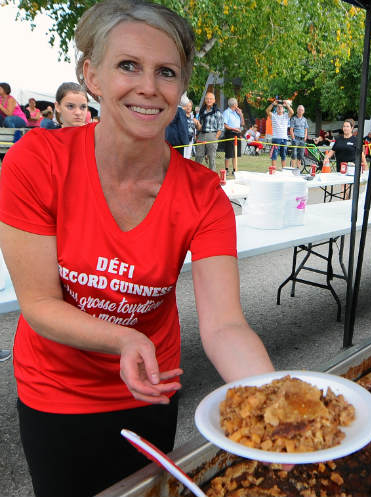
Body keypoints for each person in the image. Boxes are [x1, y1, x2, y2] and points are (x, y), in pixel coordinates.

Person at [0, 2, 275, 496]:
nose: (148, 86)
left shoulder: (204, 195)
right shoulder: (37, 161)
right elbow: (39, 304)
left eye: (166, 72)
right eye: (128, 65)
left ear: (181, 86)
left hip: (152, 388)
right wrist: (124, 339)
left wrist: (274, 405)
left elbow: (225, 325)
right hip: (56, 391)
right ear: (92, 76)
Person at [194, 91, 222, 171]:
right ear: (205, 100)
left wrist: (215, 138)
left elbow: (220, 128)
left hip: (212, 135)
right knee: (198, 156)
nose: (209, 100)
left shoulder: (217, 112)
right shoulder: (201, 111)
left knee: (211, 158)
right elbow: (199, 128)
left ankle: (212, 175)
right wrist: (197, 123)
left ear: (214, 100)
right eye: (207, 99)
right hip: (201, 135)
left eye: (211, 99)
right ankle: (195, 174)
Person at [266, 98, 293, 169]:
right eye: (278, 107)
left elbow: (292, 112)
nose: (280, 108)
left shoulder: (286, 116)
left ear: (284, 109)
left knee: (283, 155)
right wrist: (273, 104)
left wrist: (287, 105)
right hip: (276, 139)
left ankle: (283, 170)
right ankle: (273, 170)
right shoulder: (273, 116)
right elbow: (267, 110)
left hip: (284, 139)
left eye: (281, 107)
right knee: (274, 155)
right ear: (276, 109)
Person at [222, 97, 244, 175]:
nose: (238, 105)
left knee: (235, 153)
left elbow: (242, 124)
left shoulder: (237, 112)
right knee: (228, 153)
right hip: (230, 133)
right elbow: (225, 125)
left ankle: (235, 170)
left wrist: (241, 114)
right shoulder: (226, 112)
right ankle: (226, 170)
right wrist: (234, 129)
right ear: (234, 104)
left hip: (237, 134)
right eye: (237, 103)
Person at [288, 105, 309, 169]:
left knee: (301, 155)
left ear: (303, 111)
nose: (300, 111)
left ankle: (298, 169)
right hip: (295, 138)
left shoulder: (305, 119)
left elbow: (306, 129)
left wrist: (305, 137)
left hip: (302, 139)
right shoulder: (293, 118)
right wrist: (293, 138)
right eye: (299, 109)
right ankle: (292, 168)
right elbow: (291, 129)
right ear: (297, 110)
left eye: (302, 110)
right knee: (294, 154)